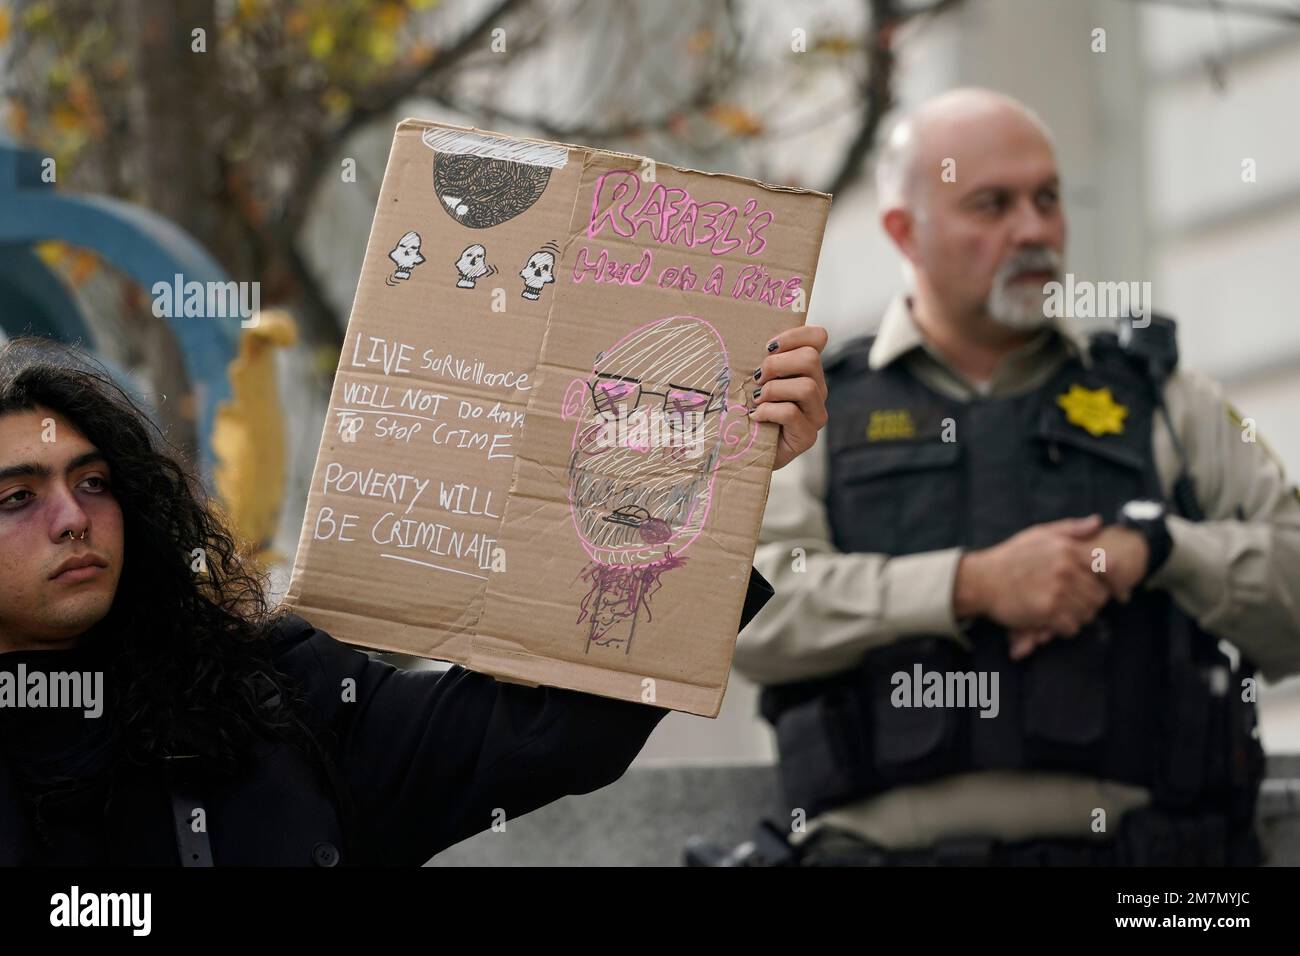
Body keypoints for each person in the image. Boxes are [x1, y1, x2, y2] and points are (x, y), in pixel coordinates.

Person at [0, 323, 828, 865]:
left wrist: (714, 489)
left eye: (96, 481)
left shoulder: (268, 699)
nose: (74, 518)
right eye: (19, 497)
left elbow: (547, 731)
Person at [735, 88, 1300, 866]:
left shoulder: (1166, 399)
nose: (1033, 230)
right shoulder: (817, 415)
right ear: (905, 230)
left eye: (1047, 199)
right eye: (991, 205)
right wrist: (969, 585)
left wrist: (1159, 551)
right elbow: (747, 619)